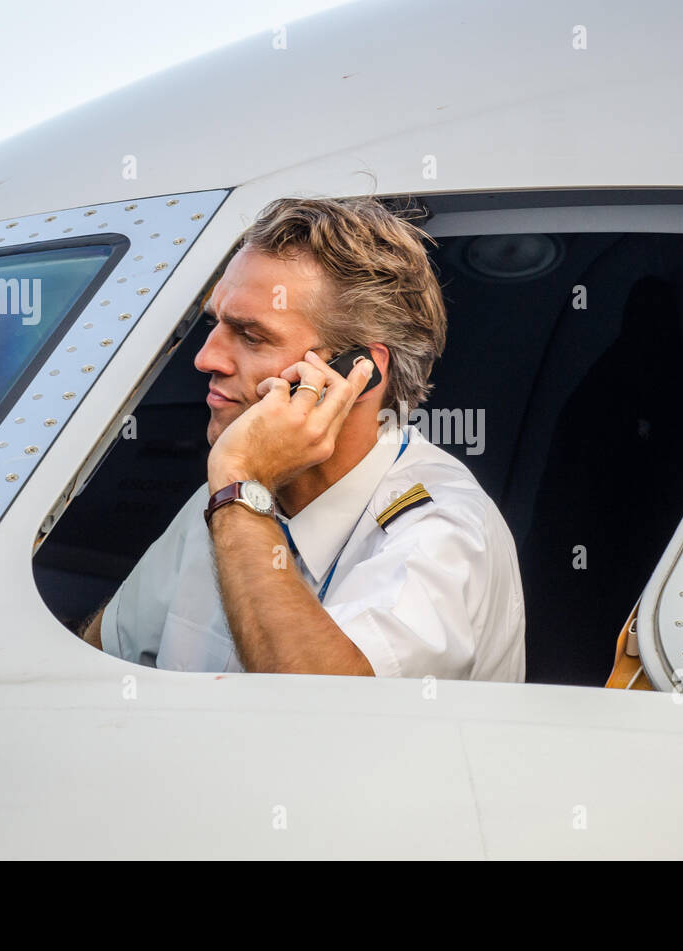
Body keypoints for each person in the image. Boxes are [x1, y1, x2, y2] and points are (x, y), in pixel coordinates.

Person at [81, 196, 524, 681]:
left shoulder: (441, 530)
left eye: (251, 336)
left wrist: (239, 489)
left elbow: (325, 704)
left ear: (359, 371)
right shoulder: (234, 492)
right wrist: (240, 491)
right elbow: (101, 657)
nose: (205, 359)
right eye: (214, 324)